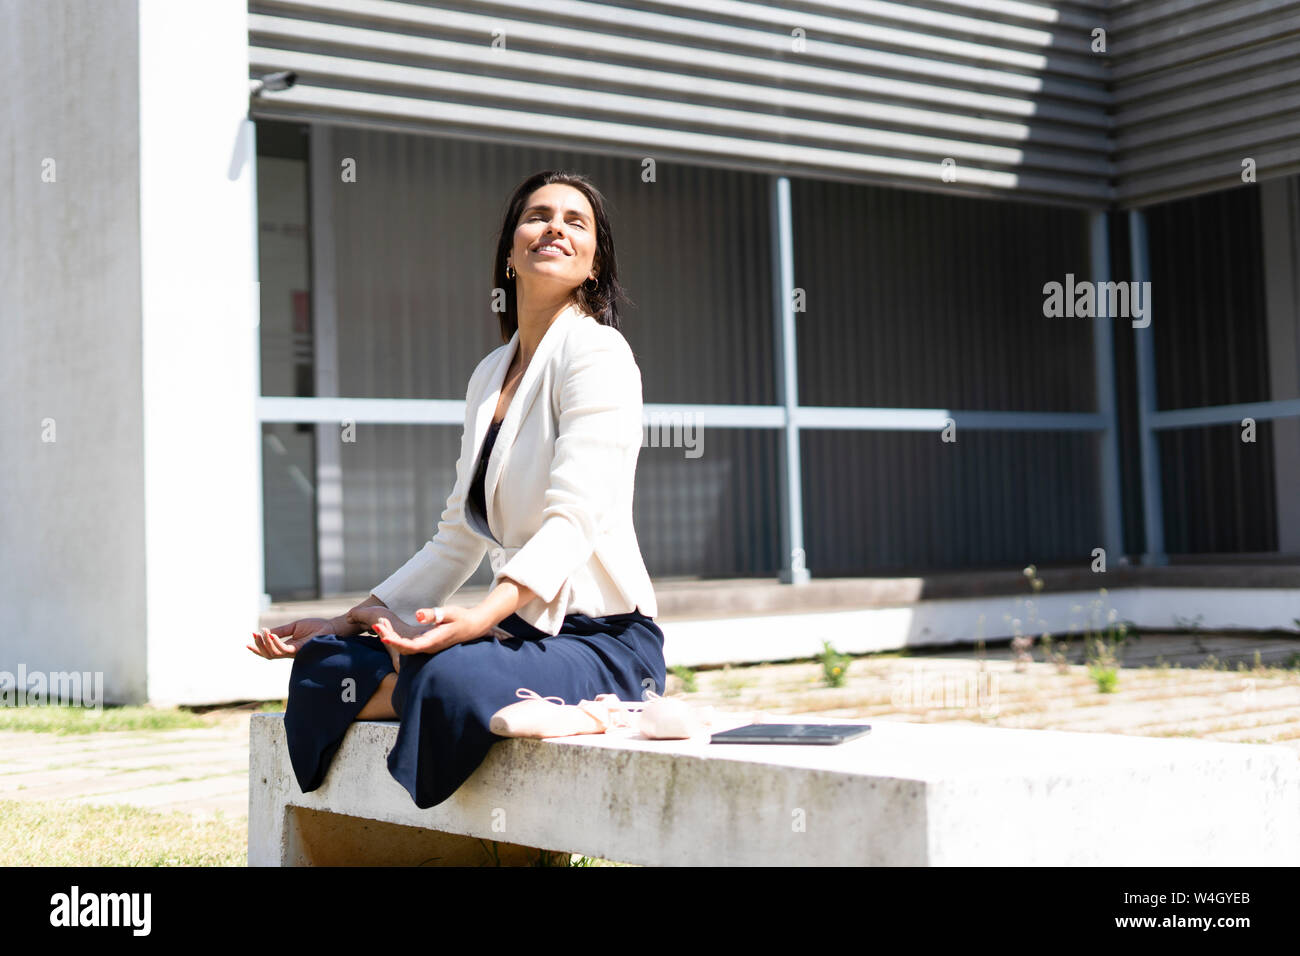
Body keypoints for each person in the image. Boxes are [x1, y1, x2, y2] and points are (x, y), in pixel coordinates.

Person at [247, 170, 665, 809]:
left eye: (575, 221)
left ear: (593, 264)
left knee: (453, 673)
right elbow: (456, 536)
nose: (554, 227)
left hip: (603, 641)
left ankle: (595, 703)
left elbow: (572, 521)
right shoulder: (490, 374)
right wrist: (350, 621)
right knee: (328, 662)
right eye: (538, 215)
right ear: (509, 250)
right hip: (521, 637)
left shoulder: (598, 354)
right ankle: (458, 694)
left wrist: (478, 618)